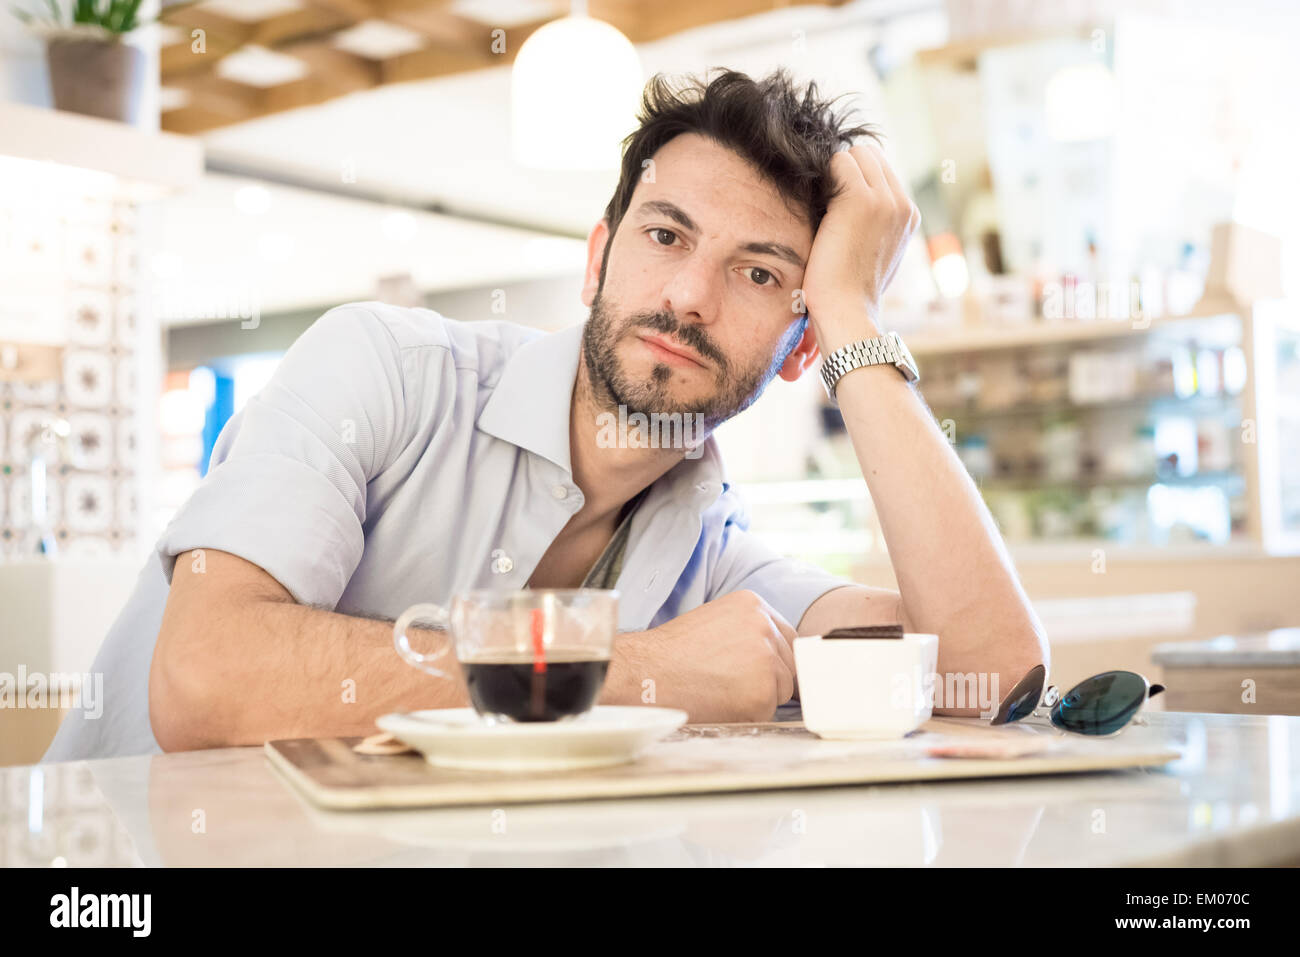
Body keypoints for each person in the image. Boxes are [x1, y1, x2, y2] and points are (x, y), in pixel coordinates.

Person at [43, 68, 1047, 760]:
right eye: (664, 235)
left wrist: (854, 322)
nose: (690, 297)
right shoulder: (384, 369)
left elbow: (987, 676)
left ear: (798, 349)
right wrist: (646, 672)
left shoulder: (717, 557)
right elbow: (208, 679)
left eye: (758, 274)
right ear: (596, 258)